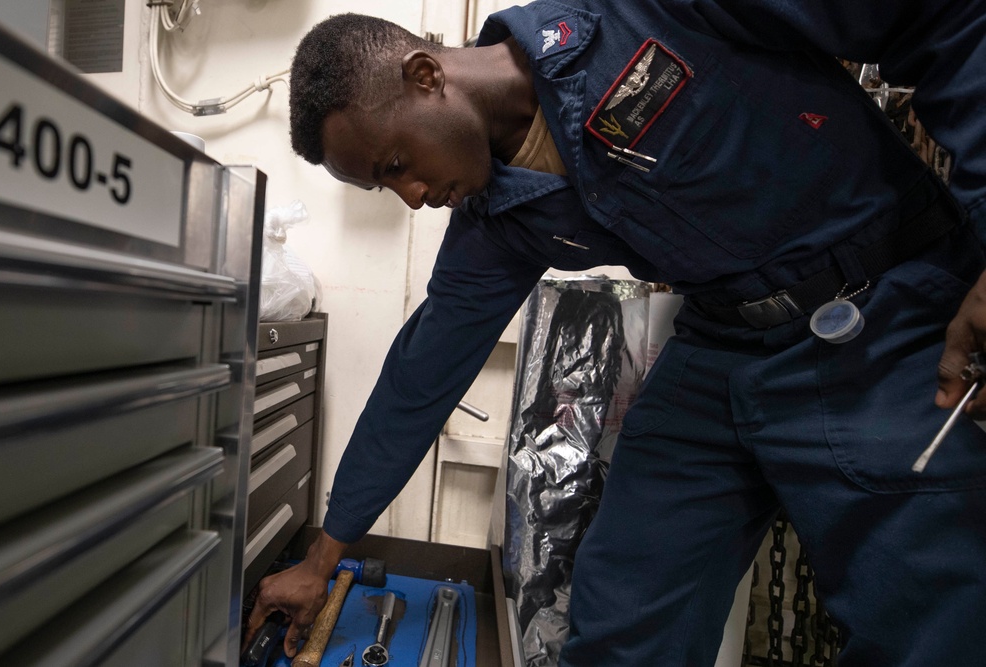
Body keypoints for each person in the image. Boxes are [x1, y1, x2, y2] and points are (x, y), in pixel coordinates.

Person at [246, 2, 986, 664]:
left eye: (398, 164)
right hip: (724, 338)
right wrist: (324, 557)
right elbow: (417, 381)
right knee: (620, 620)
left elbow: (944, 18)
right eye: (387, 186)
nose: (412, 197)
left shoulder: (640, 18)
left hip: (880, 303)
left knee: (932, 613)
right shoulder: (495, 225)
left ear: (427, 75)